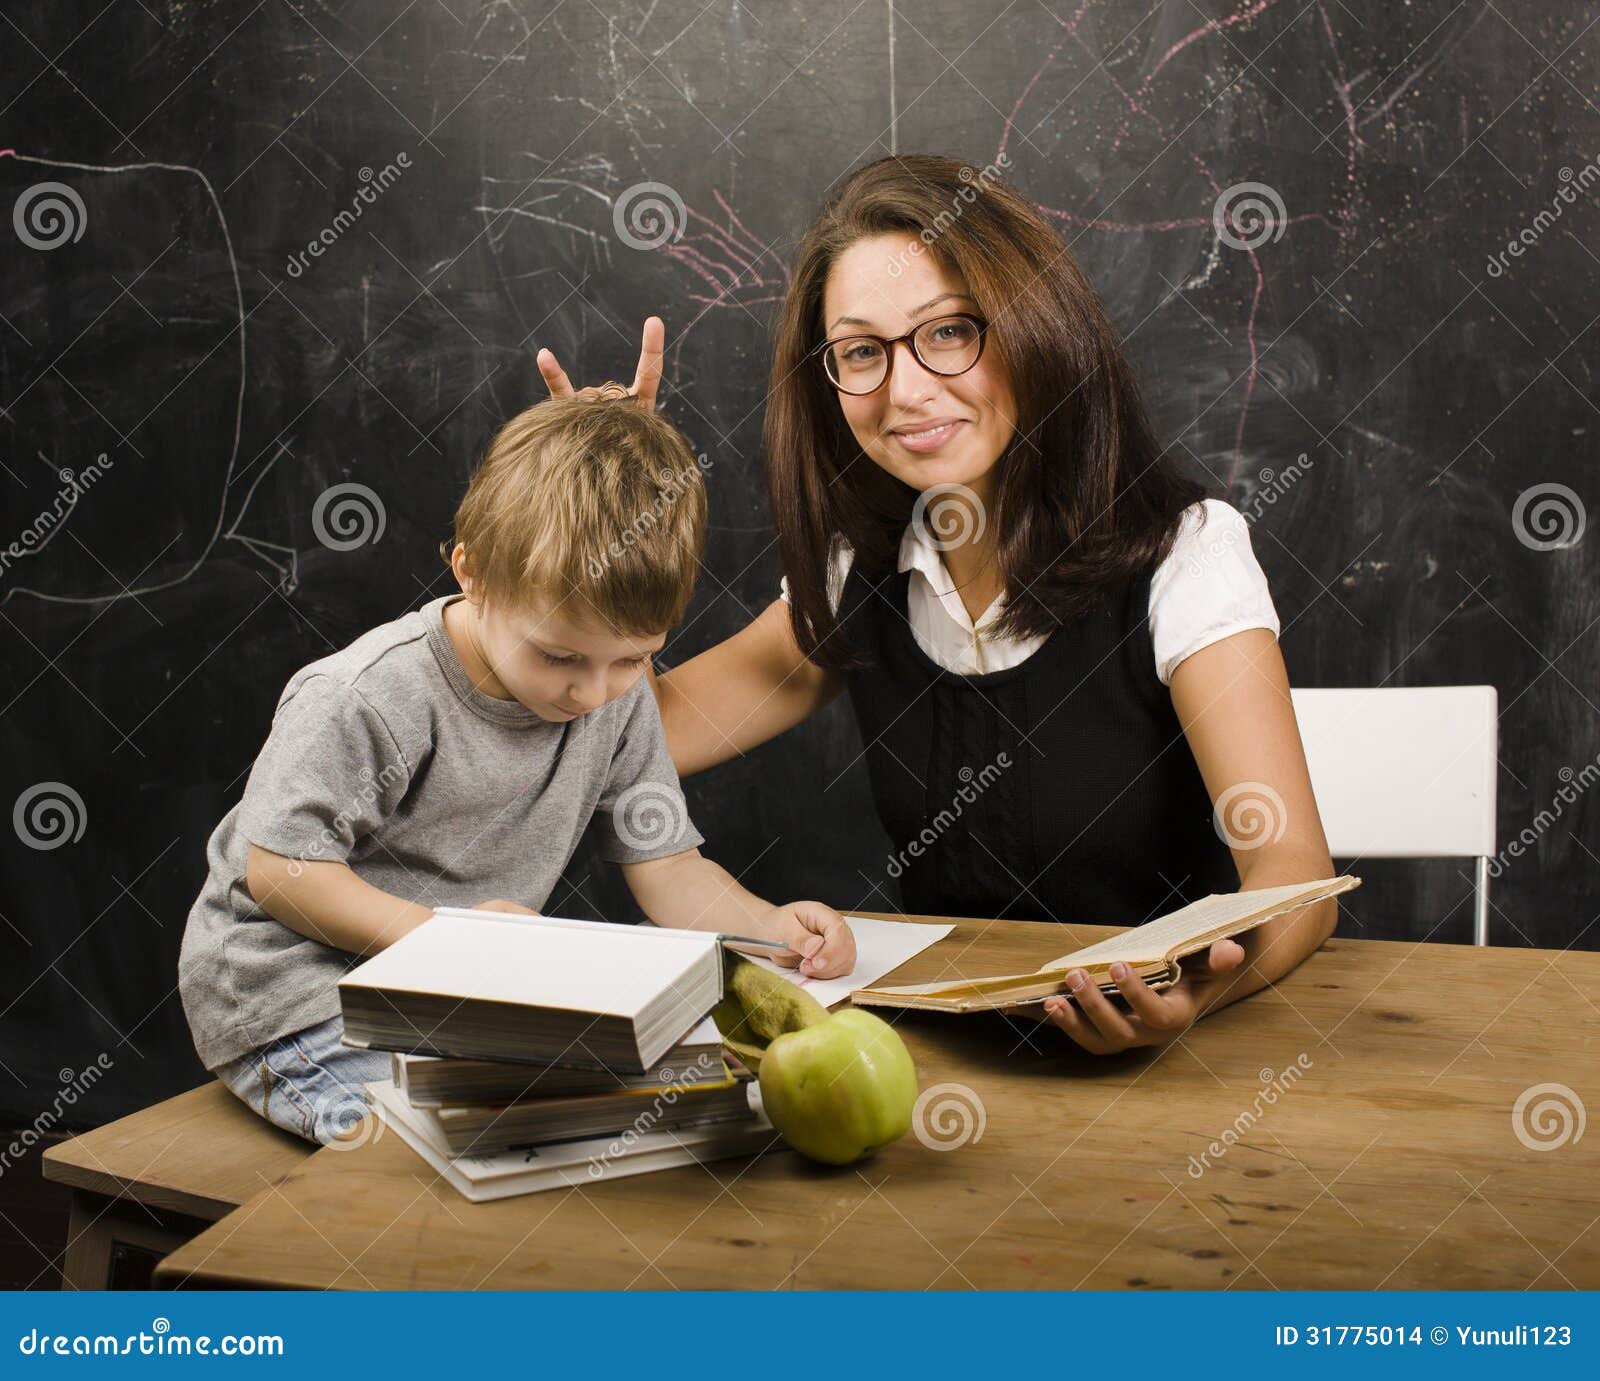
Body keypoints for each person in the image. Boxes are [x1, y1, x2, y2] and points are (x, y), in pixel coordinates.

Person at [536, 154, 1339, 1058]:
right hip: (941, 1072)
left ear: (1038, 328)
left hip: (1176, 1077)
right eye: (862, 352)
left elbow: (1291, 873)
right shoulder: (861, 573)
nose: (907, 391)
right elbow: (629, 733)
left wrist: (1191, 994)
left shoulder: (1184, 553)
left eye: (949, 332)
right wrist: (606, 525)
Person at [178, 395, 856, 1144]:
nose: (592, 692)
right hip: (299, 999)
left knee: (626, 1118)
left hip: (456, 997)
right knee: (430, 1150)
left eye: (633, 658)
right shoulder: (372, 694)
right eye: (559, 656)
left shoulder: (614, 700)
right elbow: (280, 872)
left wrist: (768, 926)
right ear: (472, 574)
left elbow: (668, 865)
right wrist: (447, 937)